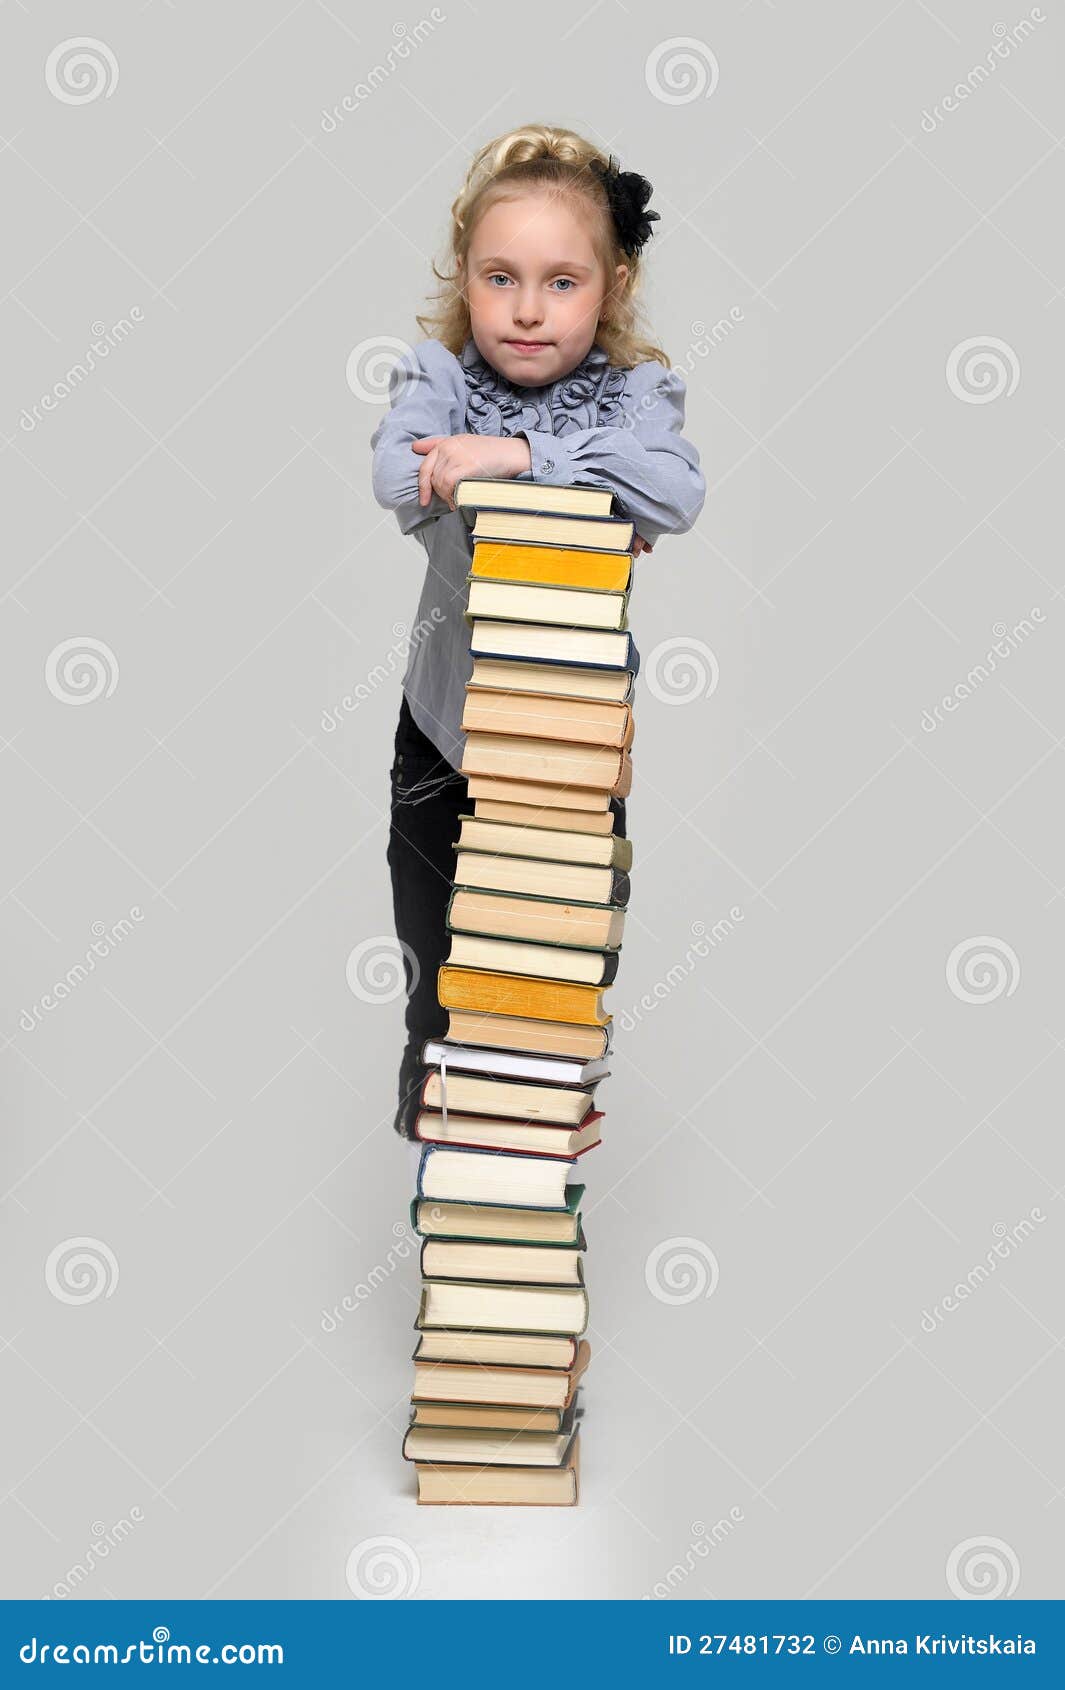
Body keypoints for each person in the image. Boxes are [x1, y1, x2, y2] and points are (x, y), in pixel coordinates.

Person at [369, 124, 707, 1154]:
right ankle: (455, 1204)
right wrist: (576, 480)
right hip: (443, 741)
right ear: (463, 280)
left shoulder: (638, 394)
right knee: (444, 989)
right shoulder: (438, 377)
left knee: (550, 989)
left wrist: (513, 455)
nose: (526, 308)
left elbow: (678, 491)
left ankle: (532, 1203)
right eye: (500, 277)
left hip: (570, 751)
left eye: (562, 282)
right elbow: (397, 477)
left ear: (610, 289)